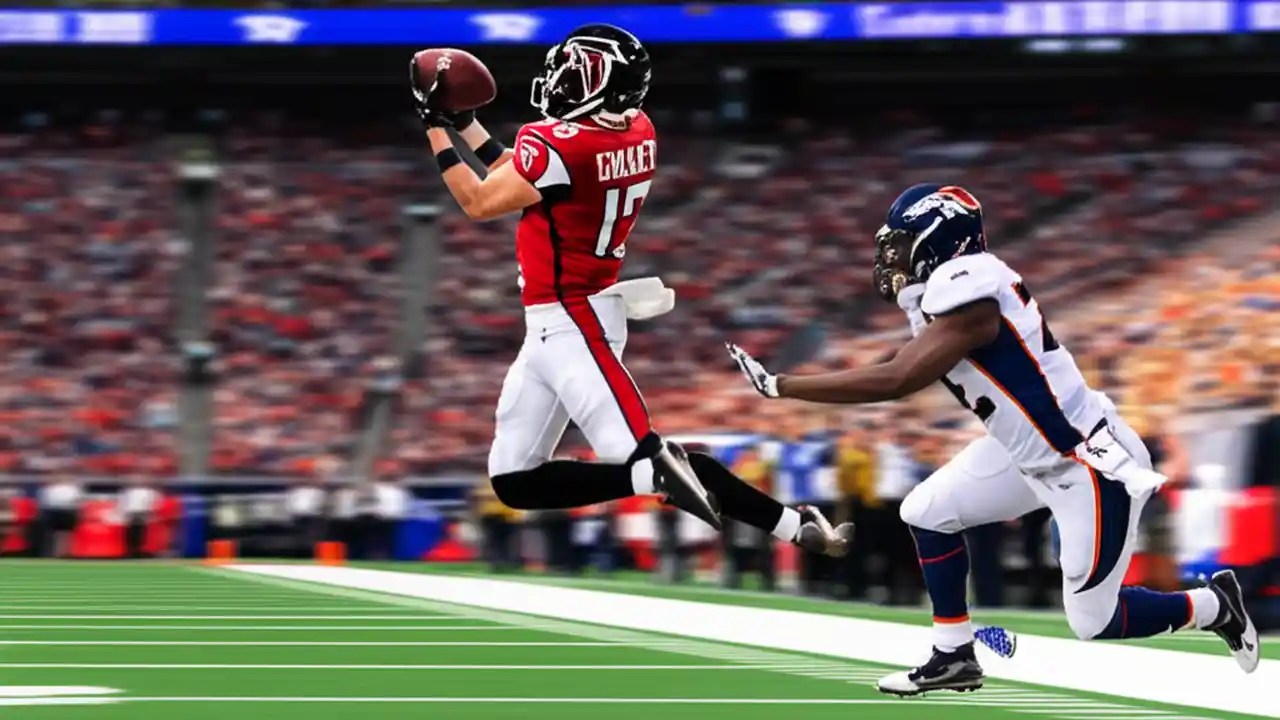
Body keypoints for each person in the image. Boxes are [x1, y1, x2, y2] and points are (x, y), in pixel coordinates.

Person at [726, 183, 1261, 696]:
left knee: (1094, 621)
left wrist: (783, 386)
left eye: (903, 246)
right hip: (1029, 454)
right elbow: (904, 368)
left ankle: (1214, 605)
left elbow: (898, 378)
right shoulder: (954, 294)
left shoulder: (972, 290)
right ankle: (954, 654)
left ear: (941, 240)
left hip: (1087, 459)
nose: (894, 261)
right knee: (925, 510)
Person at [412, 23, 850, 560]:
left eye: (578, 74)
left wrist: (436, 127)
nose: (563, 81)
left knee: (652, 455)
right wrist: (469, 126)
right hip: (561, 319)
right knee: (514, 481)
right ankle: (654, 485)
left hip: (573, 319)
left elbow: (480, 201)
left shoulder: (558, 145)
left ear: (605, 86)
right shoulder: (636, 129)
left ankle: (792, 524)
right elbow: (525, 175)